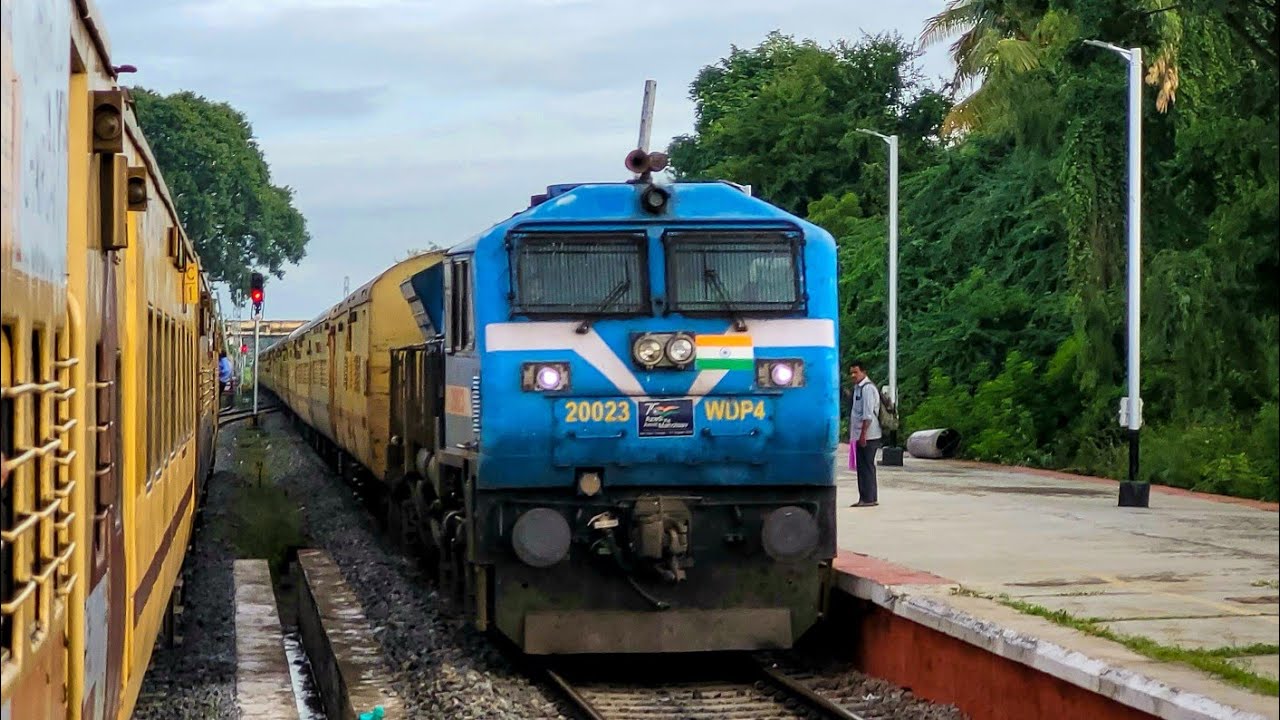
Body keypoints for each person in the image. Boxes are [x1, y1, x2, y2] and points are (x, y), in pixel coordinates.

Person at [848, 359, 881, 507]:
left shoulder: (867, 388)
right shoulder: (858, 388)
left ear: (863, 372)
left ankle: (868, 499)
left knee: (866, 467)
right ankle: (867, 497)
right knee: (863, 467)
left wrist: (863, 436)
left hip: (868, 435)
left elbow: (867, 415)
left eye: (856, 372)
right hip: (861, 435)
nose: (853, 375)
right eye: (852, 373)